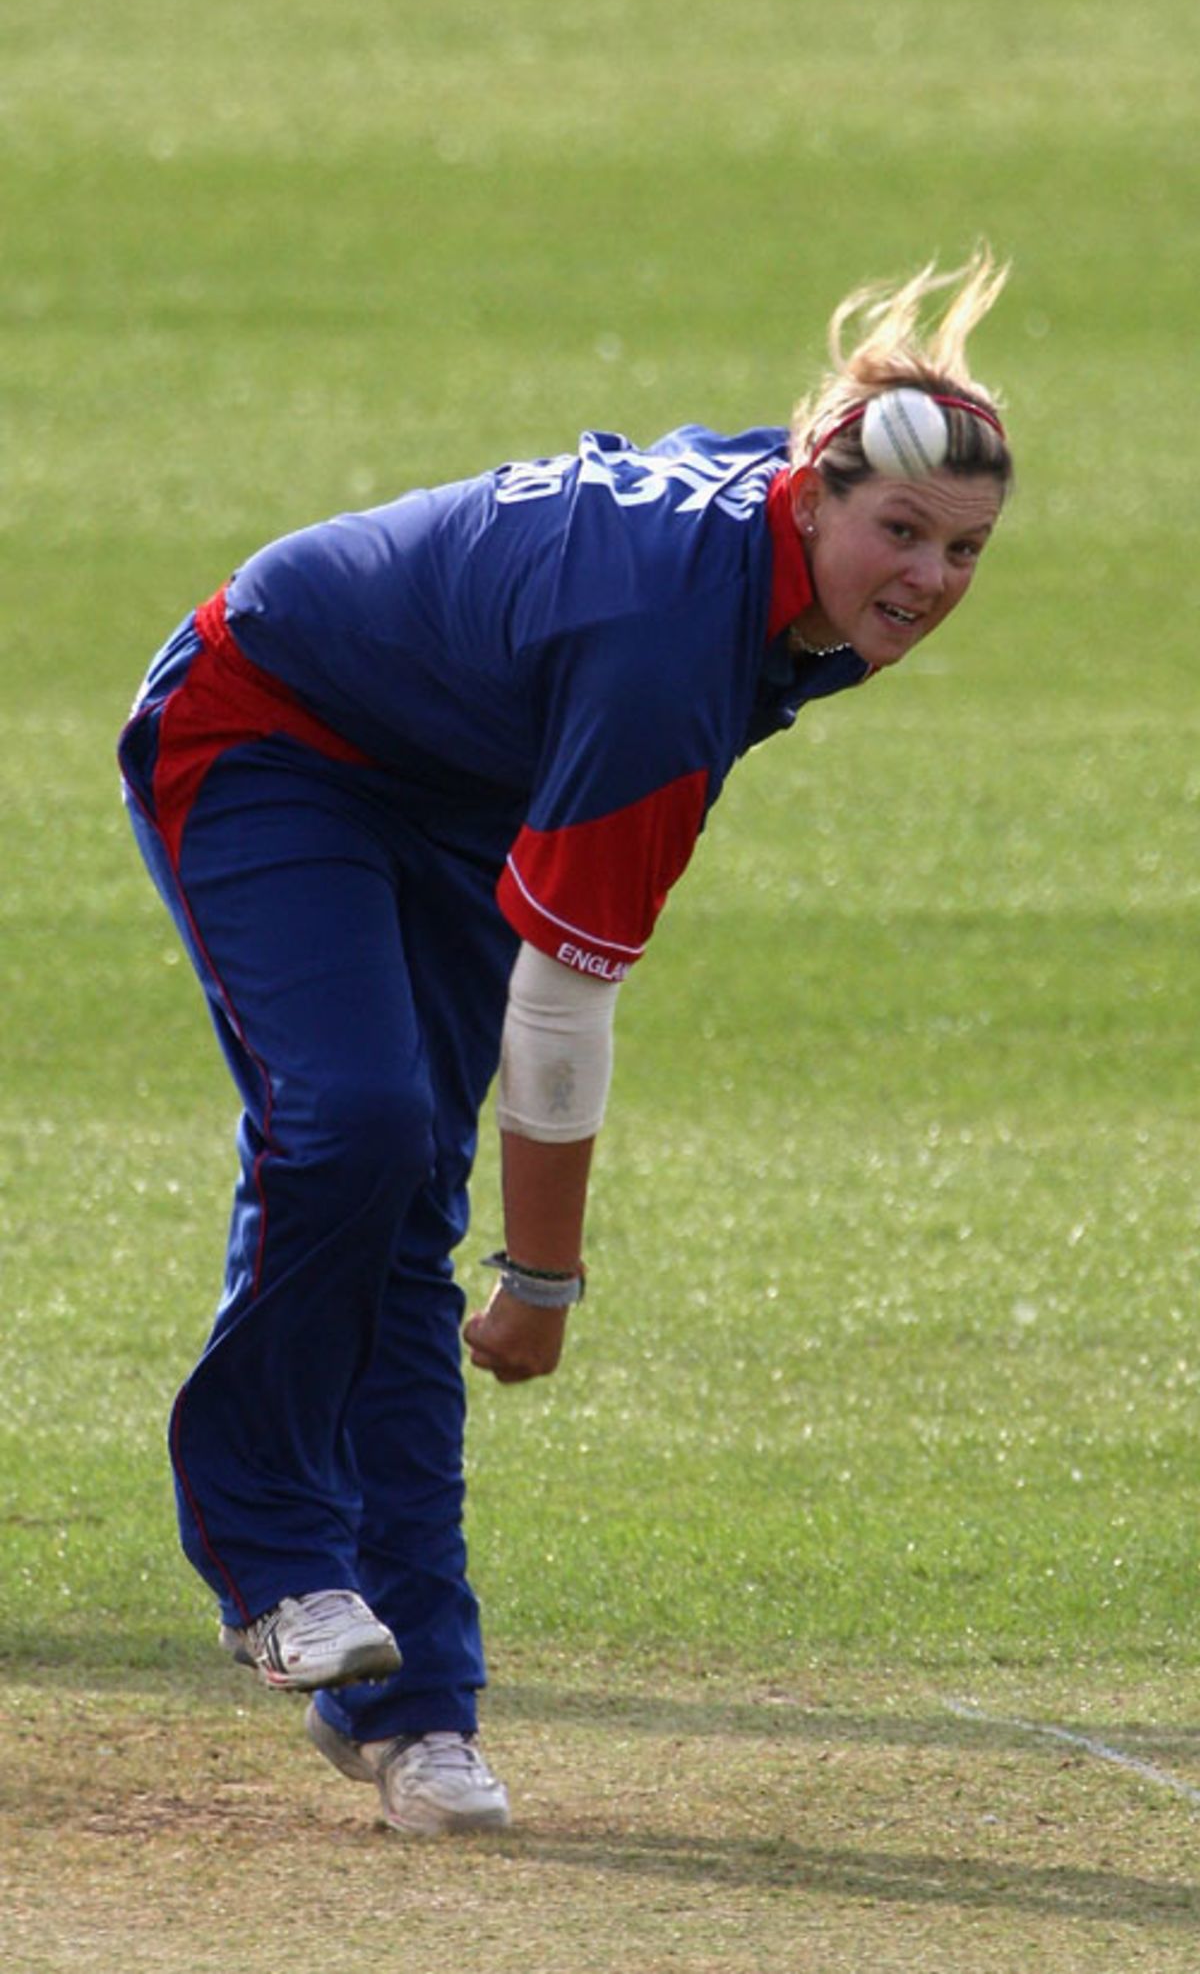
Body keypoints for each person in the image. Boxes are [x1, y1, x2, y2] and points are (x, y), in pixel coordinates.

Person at [118, 248, 1014, 1836]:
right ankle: (274, 1557)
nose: (932, 579)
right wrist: (543, 1287)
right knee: (357, 1129)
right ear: (810, 494)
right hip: (265, 728)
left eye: (965, 548)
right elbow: (561, 1000)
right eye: (903, 533)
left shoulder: (788, 541)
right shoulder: (673, 645)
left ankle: (414, 1714)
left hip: (463, 786)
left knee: (403, 1209)